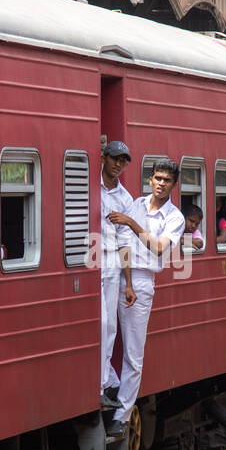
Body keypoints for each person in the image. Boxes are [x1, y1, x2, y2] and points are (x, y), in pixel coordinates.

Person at [107, 158, 186, 436]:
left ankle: (122, 414)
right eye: (157, 178)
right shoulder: (136, 204)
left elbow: (160, 249)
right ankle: (110, 383)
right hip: (121, 273)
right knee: (105, 332)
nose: (161, 184)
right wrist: (125, 279)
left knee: (132, 351)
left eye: (166, 180)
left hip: (142, 281)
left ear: (173, 185)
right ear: (150, 179)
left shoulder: (175, 218)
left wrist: (133, 224)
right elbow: (123, 241)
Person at [99, 140, 135, 411]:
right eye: (115, 159)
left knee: (109, 324)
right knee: (99, 323)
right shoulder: (91, 185)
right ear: (104, 157)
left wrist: (129, 282)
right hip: (87, 258)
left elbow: (125, 242)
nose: (118, 165)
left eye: (123, 161)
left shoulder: (125, 198)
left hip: (111, 262)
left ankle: (103, 382)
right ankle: (106, 378)